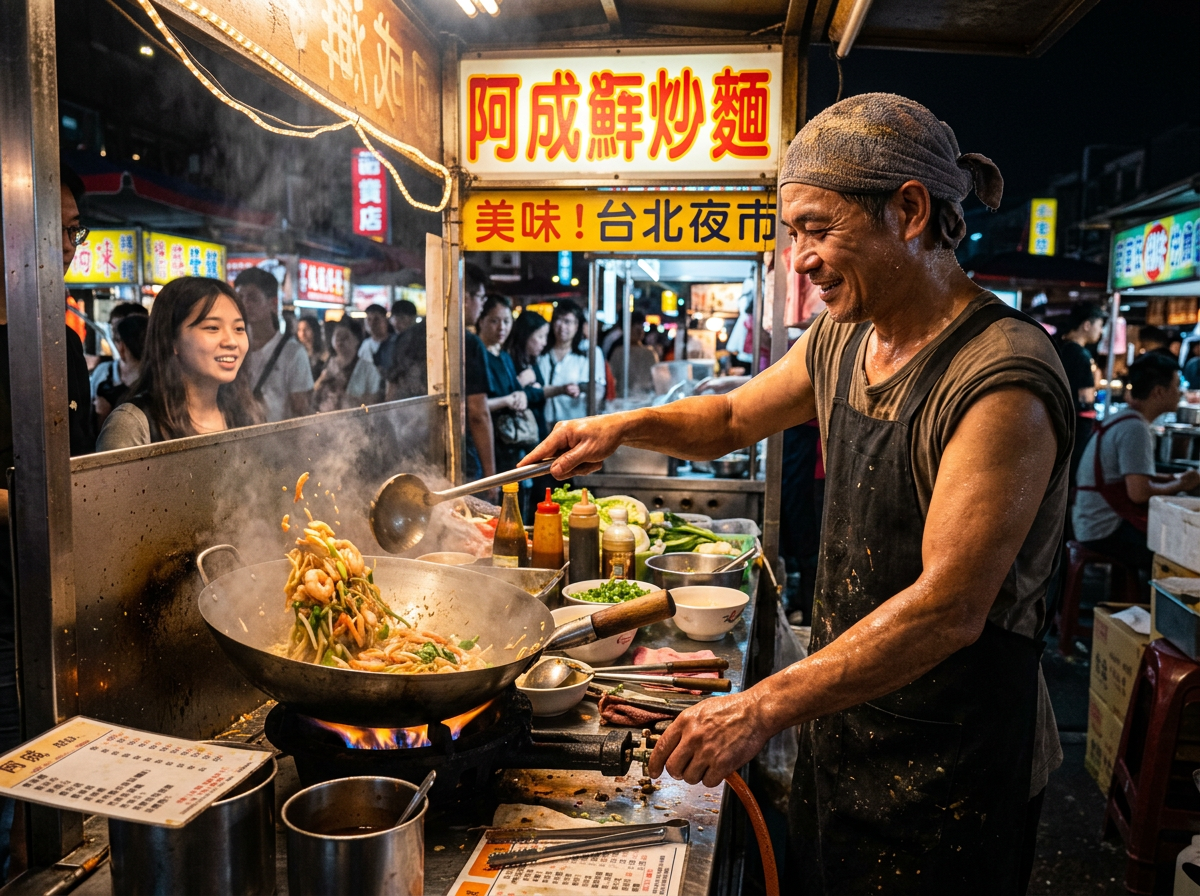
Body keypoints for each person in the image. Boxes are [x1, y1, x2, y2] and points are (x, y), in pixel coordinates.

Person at [523, 94, 1076, 894]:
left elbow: (948, 609)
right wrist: (622, 425)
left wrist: (757, 708)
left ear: (909, 211)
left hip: (956, 758)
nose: (800, 259)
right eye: (793, 234)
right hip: (846, 719)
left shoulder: (998, 381)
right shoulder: (847, 334)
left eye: (817, 229)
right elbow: (731, 415)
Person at [0, 162, 95, 879]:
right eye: (53, 229)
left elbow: (84, 472)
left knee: (47, 798)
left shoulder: (60, 343)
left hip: (50, 599)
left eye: (70, 229)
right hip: (2, 601)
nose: (65, 244)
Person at [96, 278, 262, 448]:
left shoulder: (246, 413)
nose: (232, 341)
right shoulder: (133, 424)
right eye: (212, 327)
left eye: (239, 329)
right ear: (172, 339)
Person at [1074, 352, 1198, 576]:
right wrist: (1182, 485)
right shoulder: (1135, 428)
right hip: (1105, 529)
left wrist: (1170, 479)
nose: (1180, 393)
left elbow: (1132, 477)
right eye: (1177, 386)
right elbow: (1139, 493)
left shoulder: (1126, 418)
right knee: (1182, 554)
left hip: (1090, 522)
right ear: (1159, 392)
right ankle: (1155, 608)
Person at [385, 263, 495, 480]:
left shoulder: (405, 337)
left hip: (409, 457)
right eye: (481, 298)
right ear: (464, 297)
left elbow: (390, 396)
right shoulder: (469, 343)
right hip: (459, 460)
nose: (482, 305)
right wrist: (491, 476)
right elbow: (478, 414)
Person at [235, 267, 312, 422]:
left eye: (252, 298)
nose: (244, 304)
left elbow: (301, 410)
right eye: (240, 297)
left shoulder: (293, 353)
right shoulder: (234, 348)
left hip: (276, 442)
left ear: (273, 302)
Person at [477, 295, 531, 474]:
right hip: (488, 445)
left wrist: (521, 396)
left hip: (512, 443)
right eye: (494, 321)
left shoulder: (505, 356)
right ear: (481, 320)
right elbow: (473, 407)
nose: (502, 327)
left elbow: (515, 389)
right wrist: (507, 401)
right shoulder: (476, 357)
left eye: (507, 321)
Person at [1056, 302, 1106, 490]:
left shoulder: (1058, 346)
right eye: (1099, 326)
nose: (1100, 332)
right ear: (1087, 325)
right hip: (1078, 426)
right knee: (1074, 476)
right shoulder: (1081, 355)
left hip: (1059, 420)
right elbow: (1086, 398)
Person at [538, 300, 604, 427]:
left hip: (575, 426)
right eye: (558, 320)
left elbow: (598, 389)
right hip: (543, 425)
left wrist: (581, 388)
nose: (562, 326)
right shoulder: (542, 351)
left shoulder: (589, 352)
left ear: (577, 325)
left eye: (567, 321)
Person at [313, 320, 384, 411]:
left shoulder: (368, 369)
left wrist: (343, 394)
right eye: (337, 337)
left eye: (344, 337)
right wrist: (321, 381)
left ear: (356, 340)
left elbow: (373, 401)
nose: (339, 341)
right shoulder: (326, 364)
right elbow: (314, 395)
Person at [93, 313, 148, 428]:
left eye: (117, 340)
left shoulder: (102, 374)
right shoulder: (163, 380)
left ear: (122, 346)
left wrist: (104, 416)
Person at [609, 311, 658, 397]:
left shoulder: (649, 353)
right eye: (636, 328)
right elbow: (612, 379)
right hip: (623, 399)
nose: (640, 332)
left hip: (645, 400)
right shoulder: (619, 352)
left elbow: (655, 380)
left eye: (641, 328)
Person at [360, 303, 399, 375]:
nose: (372, 324)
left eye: (376, 319)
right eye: (369, 319)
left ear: (385, 321)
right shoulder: (365, 345)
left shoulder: (396, 343)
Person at [295, 314, 328, 381]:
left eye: (306, 329)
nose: (302, 334)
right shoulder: (296, 353)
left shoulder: (324, 353)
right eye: (299, 330)